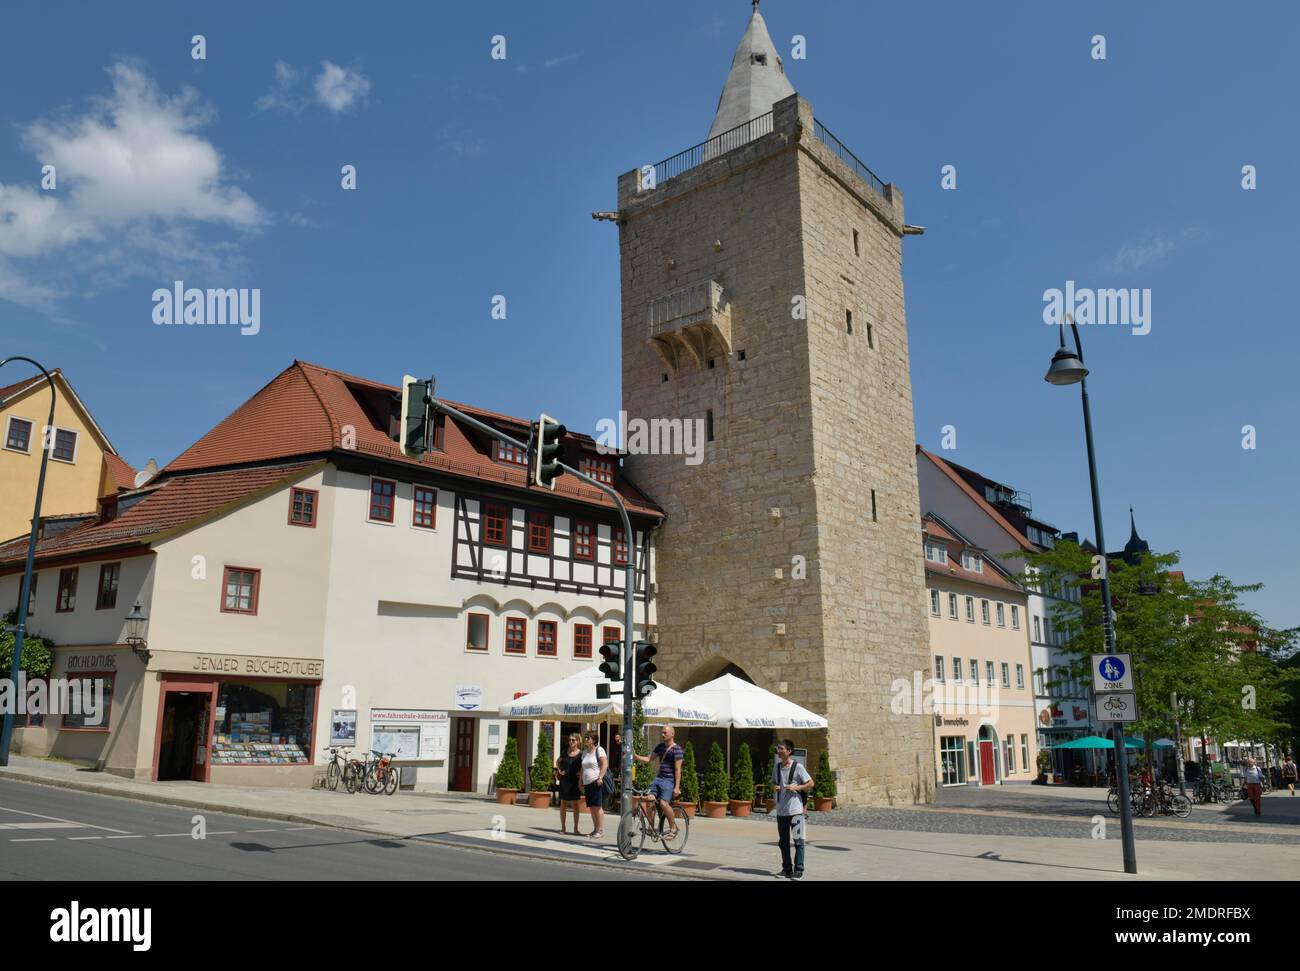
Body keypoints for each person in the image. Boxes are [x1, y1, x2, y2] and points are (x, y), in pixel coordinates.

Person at [632, 725, 682, 840]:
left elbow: (678, 769)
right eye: (662, 732)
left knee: (664, 803)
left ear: (672, 734)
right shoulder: (660, 747)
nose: (662, 734)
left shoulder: (677, 749)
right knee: (650, 799)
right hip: (658, 779)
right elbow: (648, 759)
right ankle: (651, 827)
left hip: (669, 780)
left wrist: (677, 787)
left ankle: (673, 828)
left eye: (665, 732)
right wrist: (636, 757)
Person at [772, 739, 813, 879]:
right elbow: (773, 783)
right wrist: (775, 787)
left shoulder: (798, 767)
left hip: (796, 811)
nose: (778, 751)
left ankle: (799, 870)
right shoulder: (776, 767)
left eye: (781, 748)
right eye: (778, 748)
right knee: (783, 843)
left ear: (789, 751)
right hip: (781, 811)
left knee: (799, 841)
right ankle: (787, 870)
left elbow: (810, 783)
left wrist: (797, 787)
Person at [581, 731, 609, 838]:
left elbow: (605, 764)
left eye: (587, 738)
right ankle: (595, 829)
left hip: (596, 781)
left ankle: (600, 830)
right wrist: (580, 781)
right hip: (587, 783)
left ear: (593, 740)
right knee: (592, 808)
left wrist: (600, 777)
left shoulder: (599, 750)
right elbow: (582, 768)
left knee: (597, 807)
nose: (586, 740)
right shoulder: (585, 753)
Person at [556, 733, 584, 834]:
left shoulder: (581, 754)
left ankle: (576, 828)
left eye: (573, 740)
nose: (571, 742)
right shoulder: (564, 752)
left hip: (575, 782)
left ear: (577, 741)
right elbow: (557, 761)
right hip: (565, 781)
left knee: (575, 805)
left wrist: (581, 773)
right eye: (569, 740)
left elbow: (584, 766)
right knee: (563, 804)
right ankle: (563, 828)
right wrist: (559, 770)